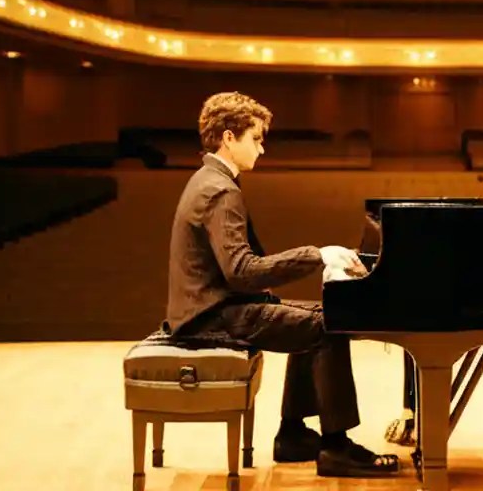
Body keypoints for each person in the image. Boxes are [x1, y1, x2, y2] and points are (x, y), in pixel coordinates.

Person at [161, 91, 400, 478]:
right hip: (210, 316)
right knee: (329, 327)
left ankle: (292, 434)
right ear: (228, 137)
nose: (262, 148)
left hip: (210, 308)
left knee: (325, 314)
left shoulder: (209, 180)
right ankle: (336, 447)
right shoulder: (221, 191)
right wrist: (317, 255)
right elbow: (242, 271)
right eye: (255, 138)